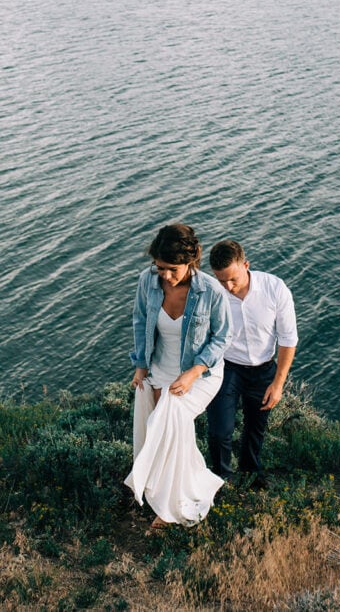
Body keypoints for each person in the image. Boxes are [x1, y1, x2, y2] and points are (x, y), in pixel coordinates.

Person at [124, 223, 231, 529]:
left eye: (172, 269)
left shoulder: (210, 291)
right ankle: (165, 490)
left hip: (201, 374)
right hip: (160, 369)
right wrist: (141, 366)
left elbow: (222, 338)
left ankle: (171, 507)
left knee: (169, 423)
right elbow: (140, 319)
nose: (165, 276)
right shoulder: (148, 281)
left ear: (190, 262)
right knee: (164, 433)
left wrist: (193, 372)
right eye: (160, 268)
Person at [206, 240, 297, 490]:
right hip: (226, 368)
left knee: (256, 427)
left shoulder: (275, 288)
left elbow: (288, 339)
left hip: (263, 369)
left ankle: (251, 473)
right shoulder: (214, 293)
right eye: (221, 280)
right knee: (219, 431)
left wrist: (278, 384)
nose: (228, 286)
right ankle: (222, 479)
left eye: (232, 279)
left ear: (246, 265)